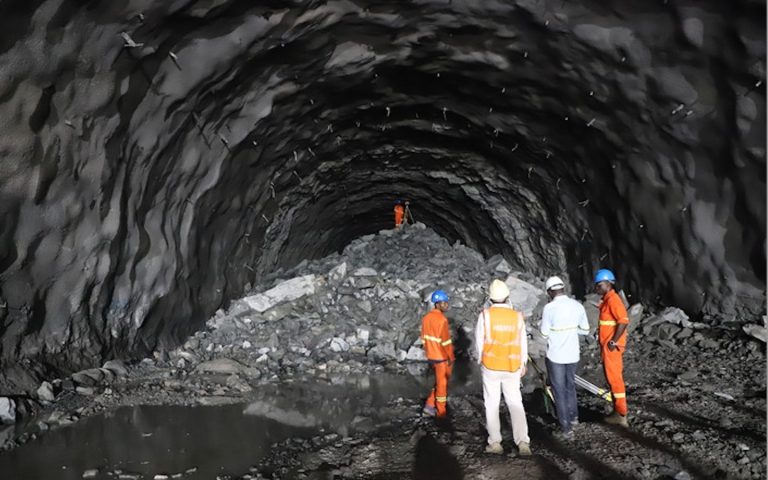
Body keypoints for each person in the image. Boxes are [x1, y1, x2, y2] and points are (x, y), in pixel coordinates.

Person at [475, 279, 531, 456]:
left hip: (491, 366)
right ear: (507, 297)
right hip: (512, 366)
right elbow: (523, 342)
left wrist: (481, 360)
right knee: (515, 402)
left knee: (491, 403)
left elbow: (479, 343)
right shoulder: (517, 316)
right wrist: (523, 363)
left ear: (490, 299)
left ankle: (495, 443)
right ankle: (523, 442)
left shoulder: (485, 315)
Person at [539, 276, 590, 439]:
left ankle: (566, 427)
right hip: (573, 354)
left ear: (549, 291)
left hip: (556, 356)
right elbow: (585, 330)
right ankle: (574, 418)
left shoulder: (549, 308)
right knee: (570, 386)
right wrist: (571, 331)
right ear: (563, 288)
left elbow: (544, 333)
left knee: (558, 390)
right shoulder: (577, 306)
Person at [594, 269, 629, 427]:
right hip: (607, 345)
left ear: (608, 284)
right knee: (611, 378)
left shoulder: (614, 300)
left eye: (599, 285)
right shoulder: (607, 300)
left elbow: (623, 321)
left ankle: (621, 414)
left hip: (611, 347)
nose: (597, 288)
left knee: (615, 379)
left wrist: (614, 341)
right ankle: (617, 411)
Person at [421, 290, 455, 418]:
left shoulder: (426, 318)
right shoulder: (442, 320)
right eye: (444, 303)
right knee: (442, 385)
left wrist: (429, 351)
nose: (447, 305)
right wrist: (451, 357)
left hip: (431, 356)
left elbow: (423, 338)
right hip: (441, 357)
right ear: (438, 304)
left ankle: (429, 405)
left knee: (438, 382)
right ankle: (441, 412)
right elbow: (446, 342)